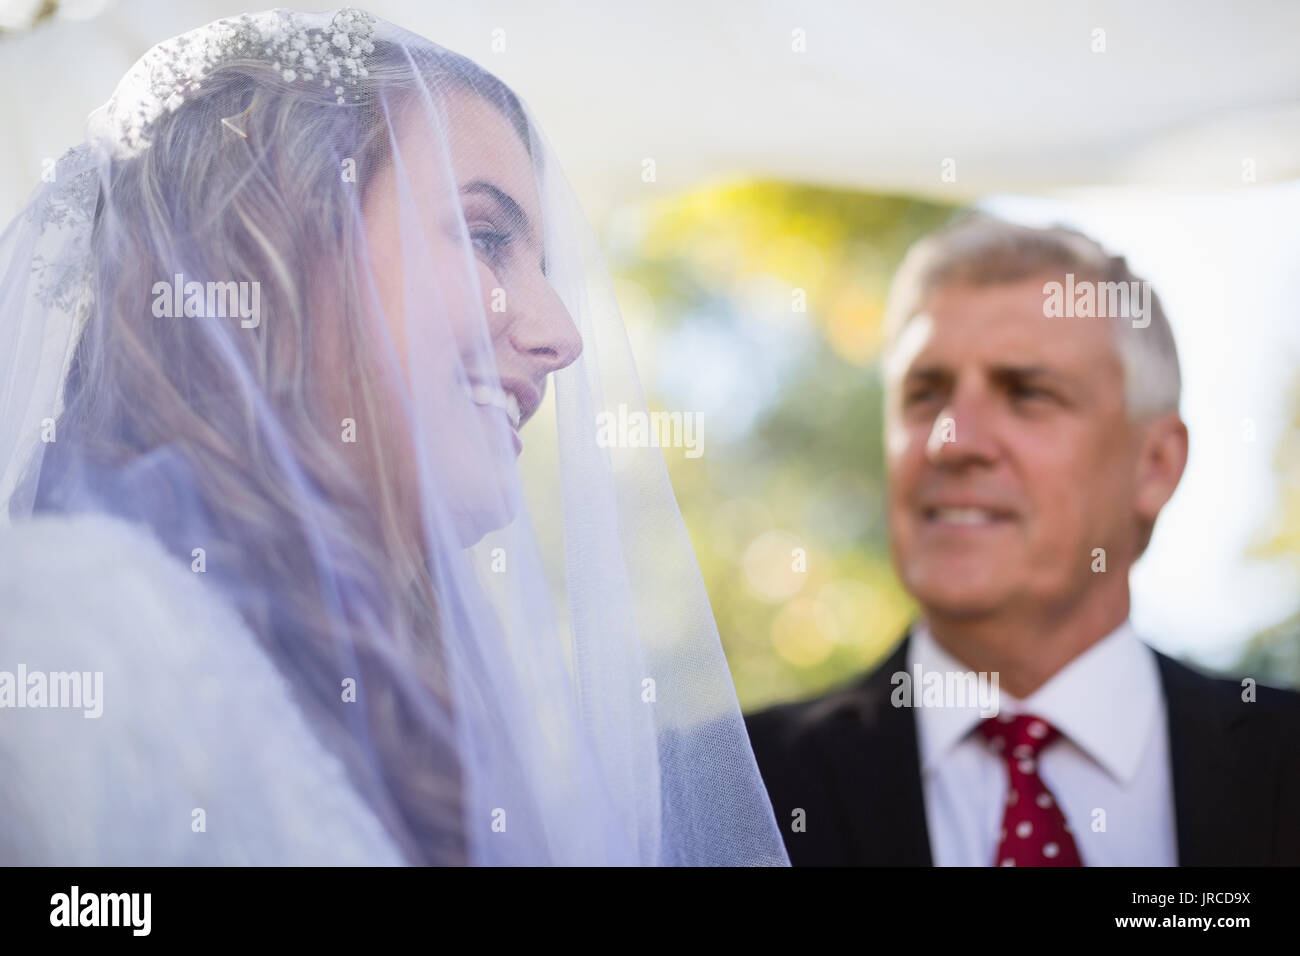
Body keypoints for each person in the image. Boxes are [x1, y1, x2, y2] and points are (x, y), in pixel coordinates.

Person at [0, 8, 788, 866]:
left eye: (545, 270)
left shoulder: (448, 717)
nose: (563, 335)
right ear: (271, 245)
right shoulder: (58, 634)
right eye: (487, 239)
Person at [746, 216, 1300, 866]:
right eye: (925, 395)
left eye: (1028, 394)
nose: (954, 441)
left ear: (1154, 465)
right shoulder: (734, 788)